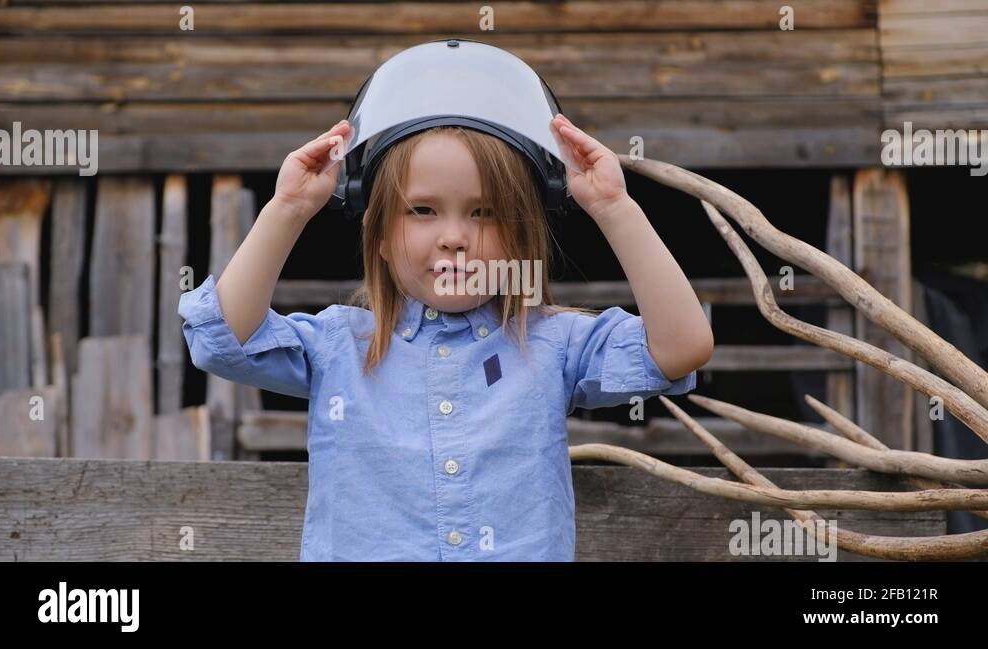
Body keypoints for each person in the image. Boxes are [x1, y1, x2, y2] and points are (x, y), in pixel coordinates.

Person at [178, 111, 713, 561]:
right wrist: (288, 210)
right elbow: (223, 337)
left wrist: (615, 209)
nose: (454, 237)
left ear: (521, 235)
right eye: (423, 211)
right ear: (381, 237)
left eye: (483, 212)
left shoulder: (553, 344)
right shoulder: (339, 344)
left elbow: (681, 347)